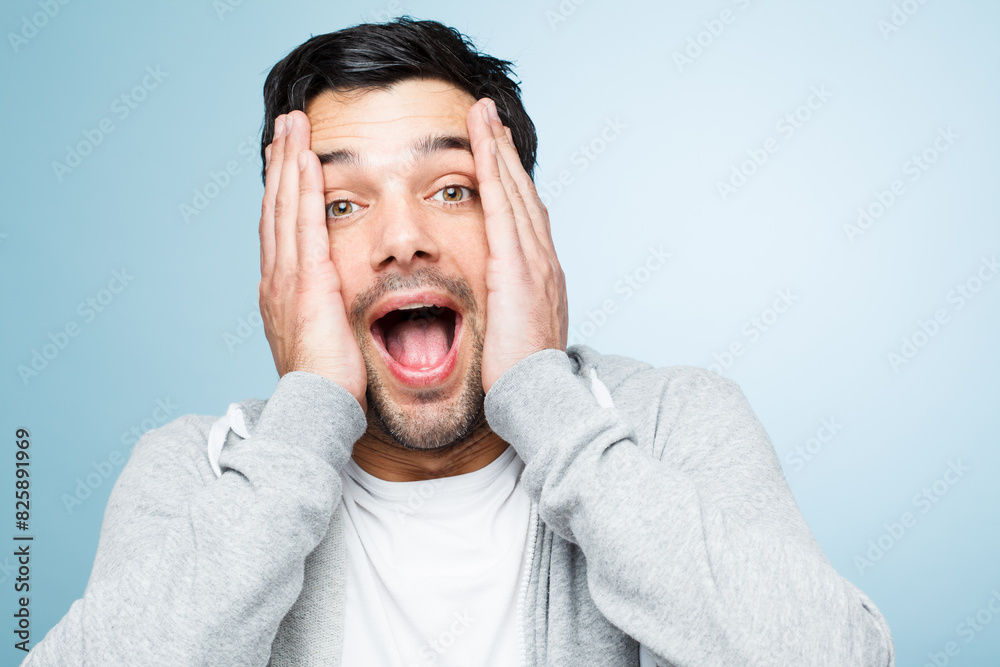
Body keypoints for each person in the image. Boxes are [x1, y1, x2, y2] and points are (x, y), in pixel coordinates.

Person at [24, 17, 895, 667]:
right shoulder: (201, 473)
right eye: (340, 204)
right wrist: (304, 425)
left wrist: (548, 403)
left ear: (528, 225)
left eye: (452, 189)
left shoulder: (670, 424)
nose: (403, 240)